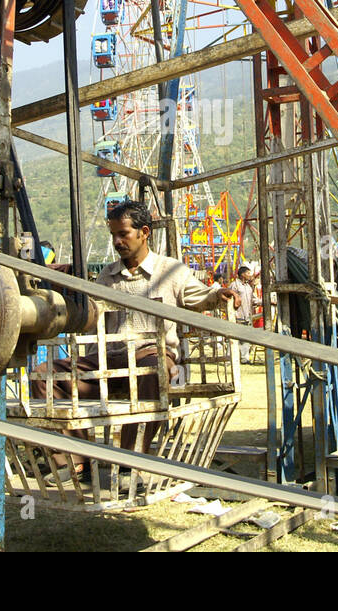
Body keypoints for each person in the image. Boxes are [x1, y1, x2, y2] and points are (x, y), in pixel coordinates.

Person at [32, 201, 238, 480]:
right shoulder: (107, 276)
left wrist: (220, 294)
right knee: (45, 376)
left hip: (149, 354)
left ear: (144, 232)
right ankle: (75, 458)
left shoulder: (170, 272)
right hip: (106, 360)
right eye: (113, 235)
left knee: (153, 370)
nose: (117, 241)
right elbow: (92, 315)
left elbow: (201, 297)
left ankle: (130, 461)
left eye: (123, 234)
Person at [229, 264, 261, 363]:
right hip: (238, 315)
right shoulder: (234, 285)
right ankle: (232, 358)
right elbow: (229, 299)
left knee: (246, 337)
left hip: (247, 315)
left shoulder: (248, 287)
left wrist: (267, 302)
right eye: (248, 273)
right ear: (242, 274)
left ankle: (244, 358)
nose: (249, 275)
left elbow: (253, 300)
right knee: (235, 338)